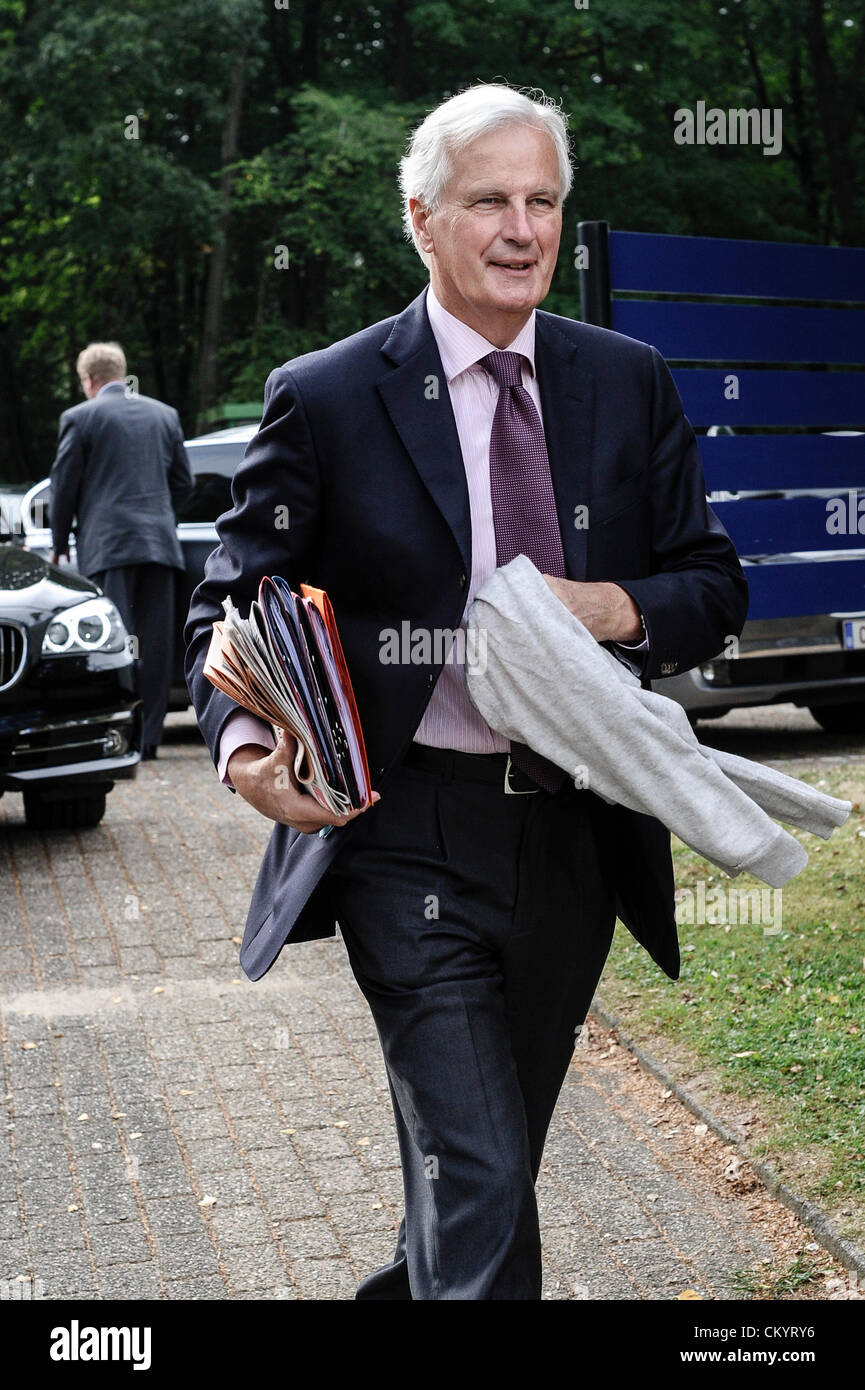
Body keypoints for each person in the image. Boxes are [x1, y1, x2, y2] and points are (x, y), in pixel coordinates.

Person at [184, 82, 749, 1299]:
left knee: (479, 1174)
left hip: (572, 835)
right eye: (489, 199)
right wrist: (243, 749)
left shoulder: (626, 377)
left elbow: (711, 583)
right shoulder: (329, 395)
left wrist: (609, 606)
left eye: (542, 200)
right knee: (483, 1172)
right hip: (406, 836)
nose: (521, 227)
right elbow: (227, 600)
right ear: (421, 219)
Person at [50, 341, 194, 759]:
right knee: (156, 643)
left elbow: (64, 488)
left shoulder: (80, 418)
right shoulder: (164, 415)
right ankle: (149, 738)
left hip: (108, 546)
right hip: (160, 546)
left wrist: (60, 543)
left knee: (112, 643)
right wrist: (162, 518)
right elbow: (184, 483)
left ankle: (117, 737)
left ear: (89, 380)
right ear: (120, 371)